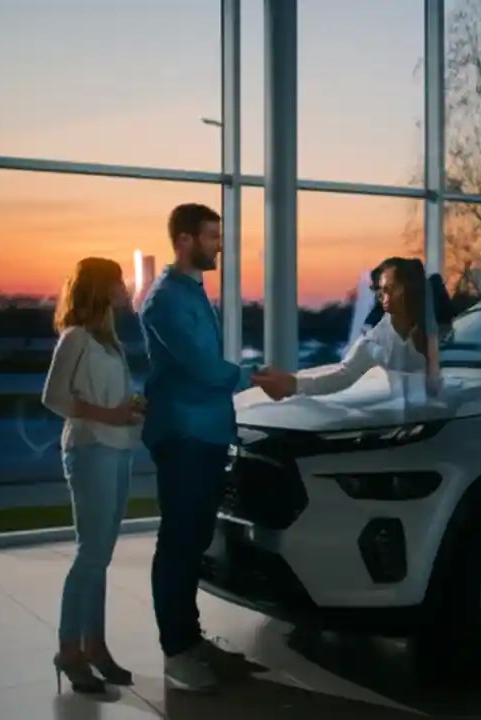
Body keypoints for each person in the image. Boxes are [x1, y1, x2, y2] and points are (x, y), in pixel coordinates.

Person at [138, 203, 272, 692]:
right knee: (178, 543)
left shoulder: (191, 293)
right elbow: (202, 367)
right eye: (212, 236)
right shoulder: (165, 301)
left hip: (207, 434)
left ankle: (190, 639)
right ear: (185, 240)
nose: (220, 244)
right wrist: (256, 379)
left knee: (193, 541)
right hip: (185, 436)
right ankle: (177, 651)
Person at [41, 257, 143, 694]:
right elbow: (54, 397)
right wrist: (112, 413)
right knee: (91, 554)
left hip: (118, 450)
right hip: (91, 449)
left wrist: (131, 407)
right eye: (119, 280)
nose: (126, 287)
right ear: (103, 288)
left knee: (100, 555)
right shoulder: (76, 337)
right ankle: (69, 650)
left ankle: (95, 646)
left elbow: (107, 398)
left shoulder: (109, 341)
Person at [258, 257, 438, 399]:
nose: (384, 295)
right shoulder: (375, 339)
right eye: (381, 290)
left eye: (393, 288)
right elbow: (343, 375)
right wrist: (293, 385)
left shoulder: (441, 328)